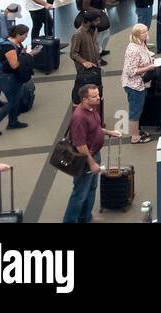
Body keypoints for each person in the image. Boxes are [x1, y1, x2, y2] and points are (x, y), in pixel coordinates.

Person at [61, 82, 122, 224]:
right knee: (80, 193)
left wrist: (108, 132)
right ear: (84, 100)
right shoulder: (79, 117)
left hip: (94, 154)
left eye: (98, 95)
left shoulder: (92, 109)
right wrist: (92, 163)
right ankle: (70, 220)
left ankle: (85, 218)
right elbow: (80, 145)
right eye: (94, 96)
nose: (98, 98)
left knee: (91, 188)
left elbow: (95, 128)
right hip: (85, 160)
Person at [0, 24, 36, 137]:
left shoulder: (14, 42)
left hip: (11, 76)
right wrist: (28, 56)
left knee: (17, 97)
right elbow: (14, 65)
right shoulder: (9, 47)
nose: (25, 37)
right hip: (7, 78)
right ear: (18, 34)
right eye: (24, 35)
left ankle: (13, 121)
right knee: (13, 102)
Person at [121, 23, 159, 144]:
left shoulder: (142, 44)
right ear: (137, 35)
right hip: (134, 86)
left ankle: (137, 130)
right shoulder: (133, 50)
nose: (147, 34)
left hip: (141, 84)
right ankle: (135, 137)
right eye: (144, 32)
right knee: (135, 111)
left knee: (138, 109)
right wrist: (149, 67)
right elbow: (130, 71)